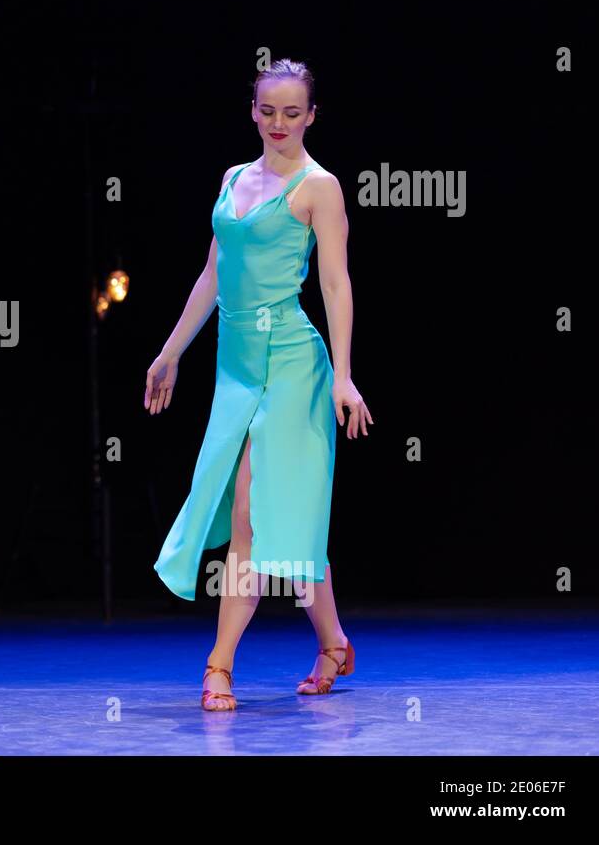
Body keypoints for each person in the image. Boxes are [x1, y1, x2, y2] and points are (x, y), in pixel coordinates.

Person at [144, 59, 372, 711]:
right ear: (252, 111)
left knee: (250, 516)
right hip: (237, 369)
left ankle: (218, 666)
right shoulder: (232, 180)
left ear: (311, 115)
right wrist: (170, 353)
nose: (279, 124)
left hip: (294, 367)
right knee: (290, 521)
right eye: (268, 111)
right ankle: (333, 644)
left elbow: (335, 283)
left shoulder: (318, 187)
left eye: (293, 113)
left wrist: (346, 377)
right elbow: (214, 275)